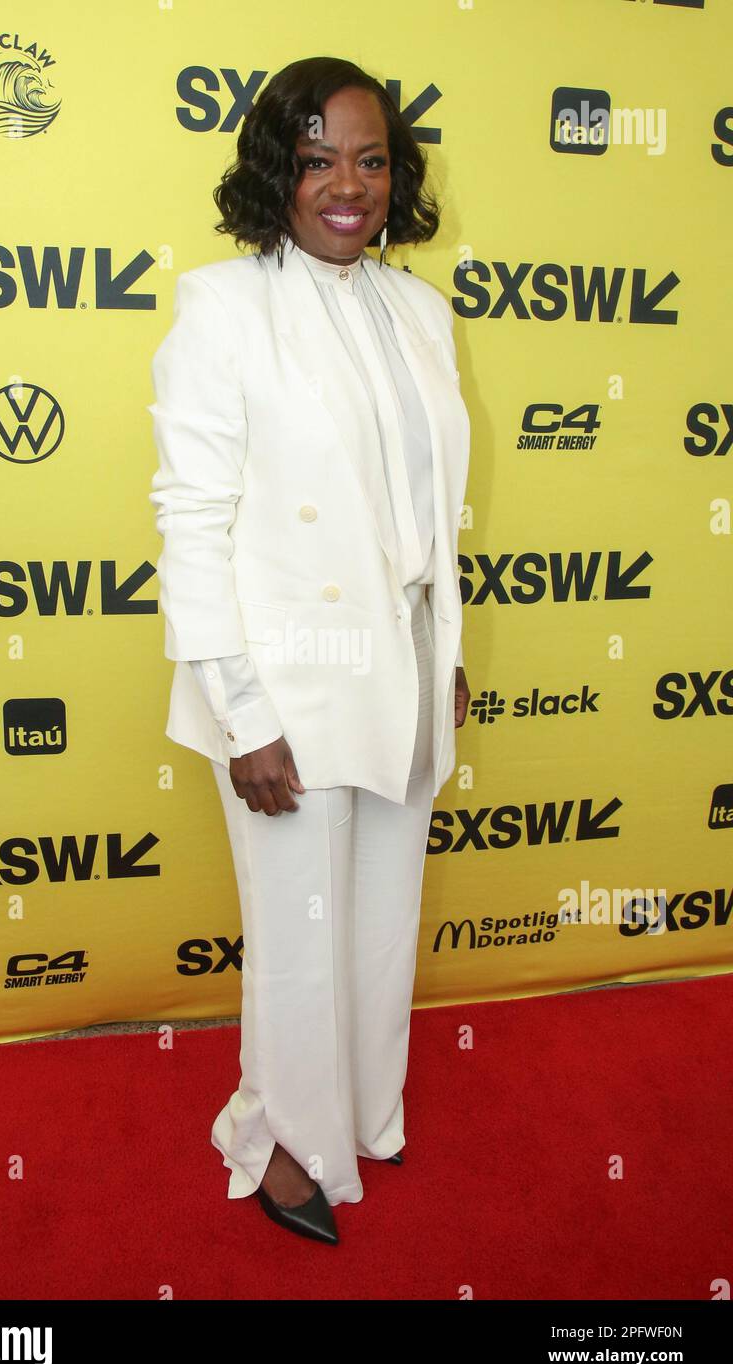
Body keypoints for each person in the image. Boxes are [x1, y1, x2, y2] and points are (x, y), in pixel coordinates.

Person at [148, 55, 470, 1245]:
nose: (348, 184)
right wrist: (242, 713)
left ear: (398, 172)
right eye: (318, 156)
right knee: (298, 928)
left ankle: (360, 1116)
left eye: (371, 158)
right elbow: (191, 519)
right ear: (275, 169)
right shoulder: (223, 308)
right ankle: (277, 1137)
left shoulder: (418, 310)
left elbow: (430, 513)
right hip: (282, 680)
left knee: (382, 914)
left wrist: (443, 650)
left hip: (399, 668)